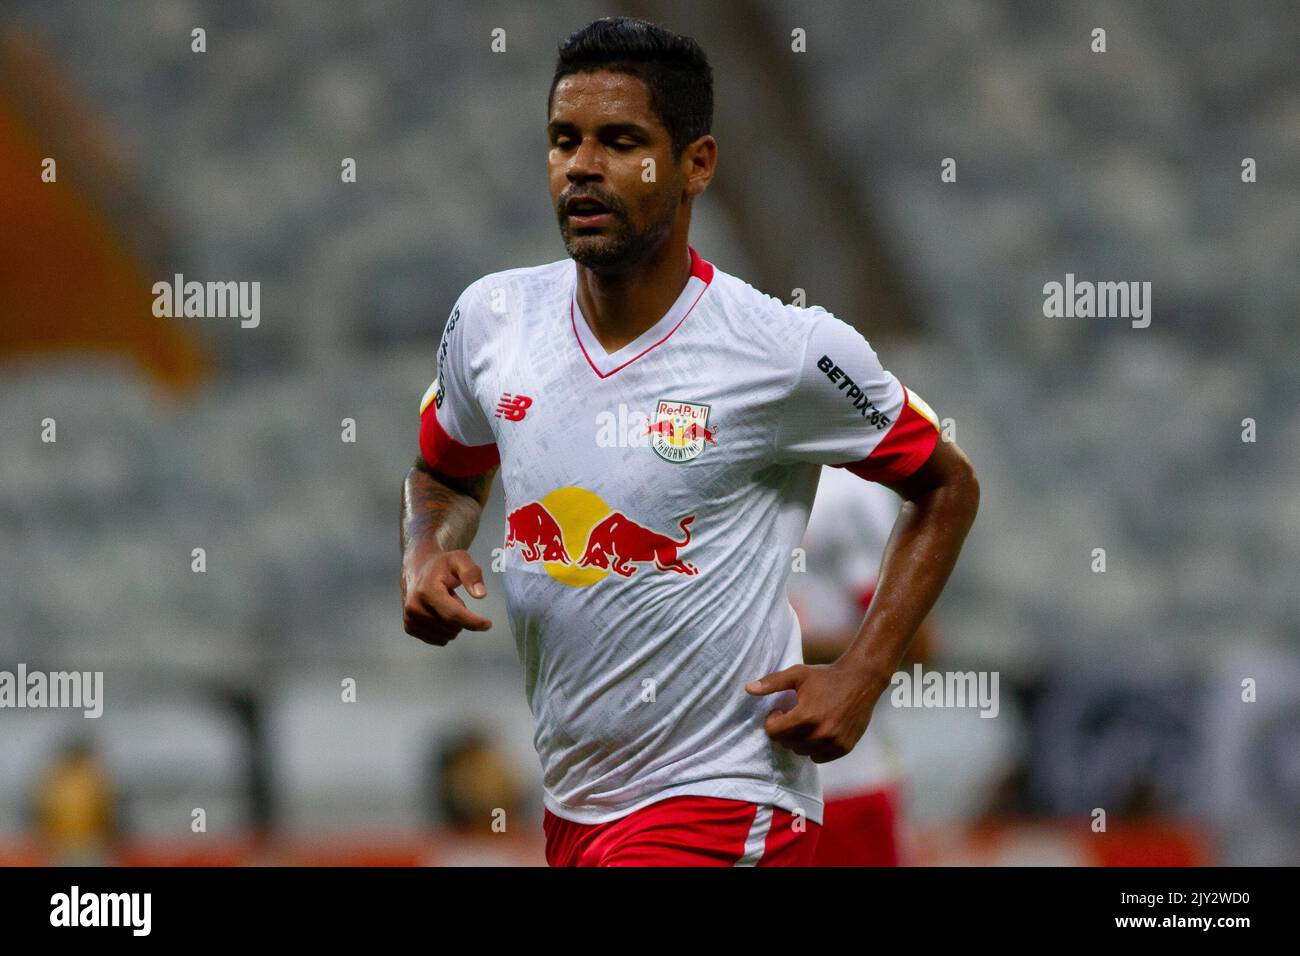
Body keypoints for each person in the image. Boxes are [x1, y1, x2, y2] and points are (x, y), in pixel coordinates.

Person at [399, 16, 979, 867]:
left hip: (726, 792)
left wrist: (864, 670)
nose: (582, 166)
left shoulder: (785, 351)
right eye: (564, 140)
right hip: (577, 802)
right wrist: (426, 550)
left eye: (621, 141)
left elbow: (947, 485)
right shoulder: (491, 320)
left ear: (696, 165)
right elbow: (444, 474)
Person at [788, 466, 938, 866]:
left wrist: (770, 643)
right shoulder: (710, 475)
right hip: (718, 781)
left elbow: (916, 645)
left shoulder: (849, 494)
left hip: (839, 785)